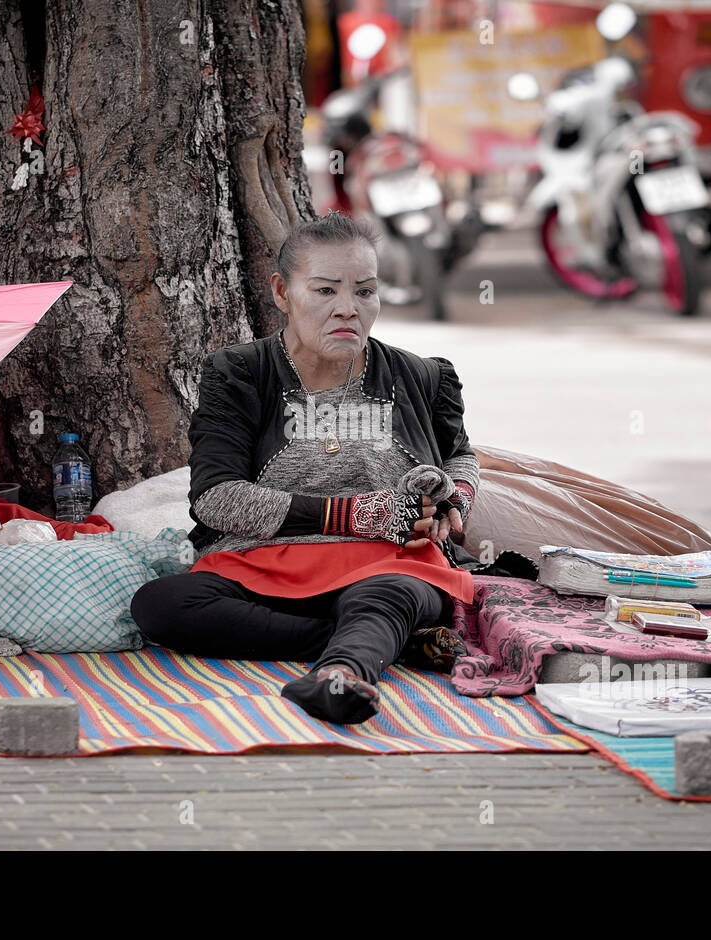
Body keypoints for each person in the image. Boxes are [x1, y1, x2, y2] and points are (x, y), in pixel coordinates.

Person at [131, 213, 479, 724]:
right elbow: (216, 498)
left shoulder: (423, 376)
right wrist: (356, 514)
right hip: (263, 562)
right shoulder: (240, 375)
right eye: (325, 291)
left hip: (388, 564)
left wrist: (455, 500)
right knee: (162, 604)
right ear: (281, 292)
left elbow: (461, 457)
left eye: (365, 292)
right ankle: (390, 644)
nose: (348, 309)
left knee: (392, 595)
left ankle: (342, 672)